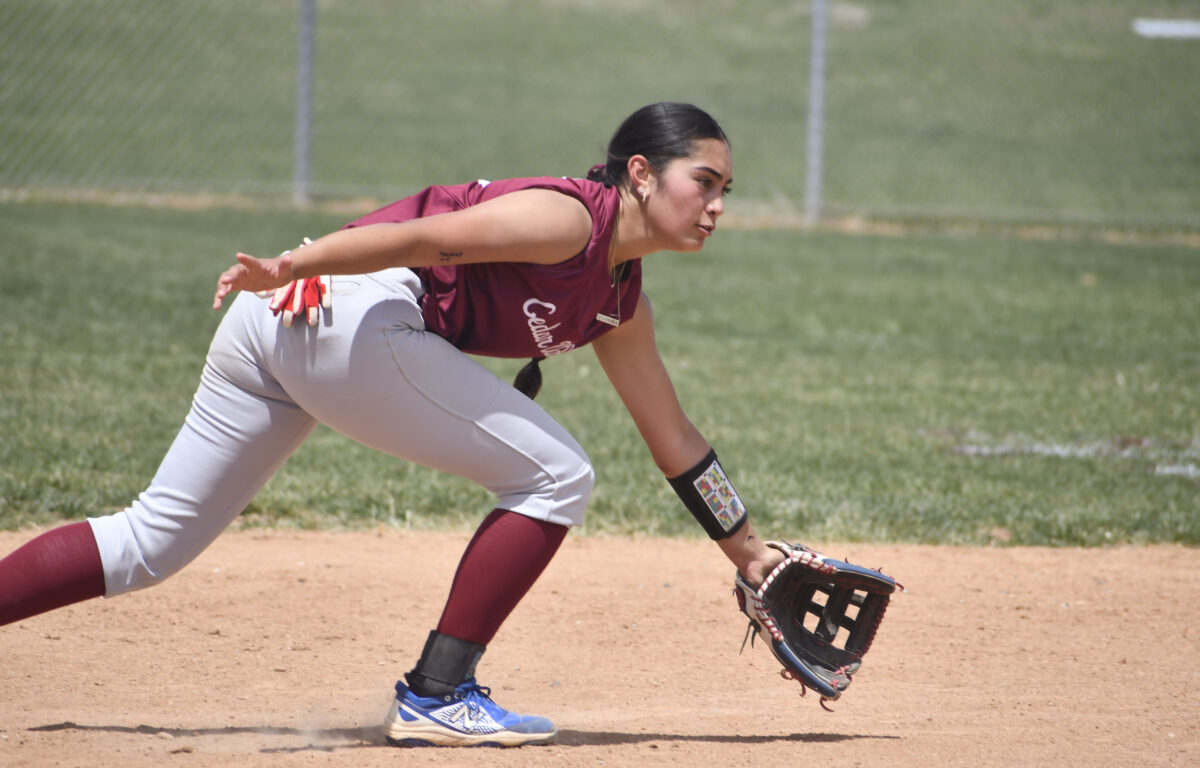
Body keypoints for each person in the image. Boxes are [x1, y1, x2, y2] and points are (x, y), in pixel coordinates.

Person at [0, 102, 785, 748]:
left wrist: (749, 554)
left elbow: (674, 439)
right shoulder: (571, 220)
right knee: (556, 475)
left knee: (149, 545)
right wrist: (297, 266)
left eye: (726, 189)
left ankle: (437, 693)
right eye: (704, 180)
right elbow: (427, 237)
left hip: (299, 323)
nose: (717, 206)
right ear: (642, 174)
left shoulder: (621, 301)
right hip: (340, 306)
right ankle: (437, 694)